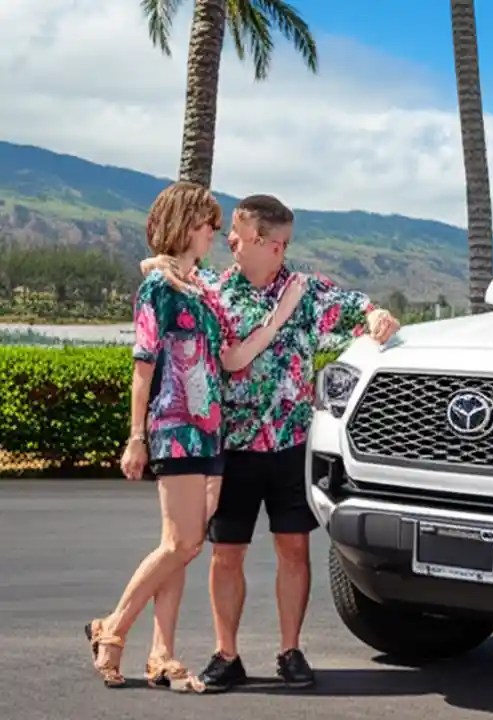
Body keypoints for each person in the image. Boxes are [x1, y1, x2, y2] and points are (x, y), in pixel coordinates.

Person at [144, 194, 400, 692]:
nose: (230, 242)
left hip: (289, 446)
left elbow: (363, 311)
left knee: (293, 549)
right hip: (232, 447)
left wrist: (380, 316)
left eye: (238, 235)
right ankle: (227, 654)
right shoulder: (215, 292)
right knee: (226, 554)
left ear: (268, 243)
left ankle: (290, 651)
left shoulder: (308, 293)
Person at [85, 182, 304, 691]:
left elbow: (232, 355)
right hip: (176, 431)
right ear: (187, 226)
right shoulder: (158, 290)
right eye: (209, 225)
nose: (216, 235)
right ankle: (112, 630)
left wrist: (283, 311)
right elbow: (143, 367)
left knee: (182, 548)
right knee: (181, 542)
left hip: (211, 435)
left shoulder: (200, 288)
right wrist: (135, 436)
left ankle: (161, 654)